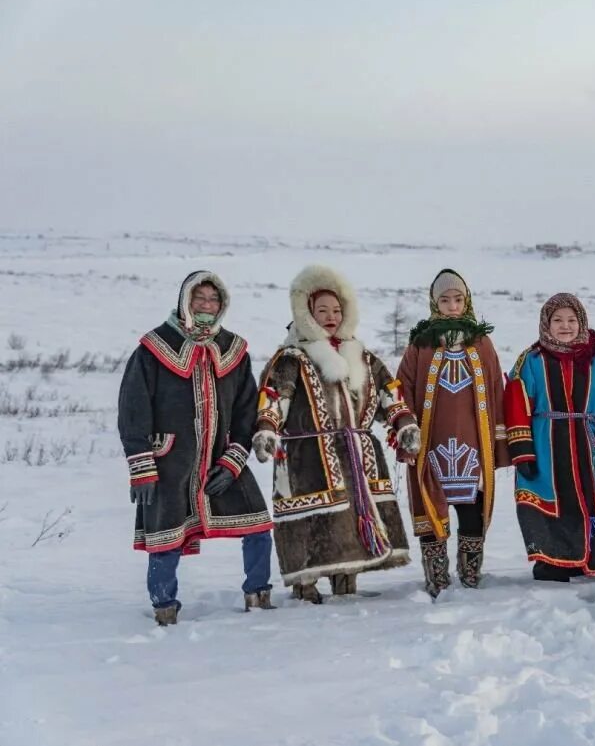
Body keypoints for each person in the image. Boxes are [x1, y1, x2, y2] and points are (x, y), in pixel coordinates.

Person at [254, 265, 418, 603]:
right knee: (311, 520)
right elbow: (274, 397)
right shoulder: (292, 357)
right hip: (306, 456)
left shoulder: (360, 355)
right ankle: (306, 582)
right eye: (322, 310)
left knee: (352, 516)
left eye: (336, 309)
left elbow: (391, 394)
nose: (330, 316)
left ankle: (347, 579)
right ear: (307, 313)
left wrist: (404, 425)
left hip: (357, 451)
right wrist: (267, 429)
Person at [118, 271, 274, 625]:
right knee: (165, 538)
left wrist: (234, 459)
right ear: (185, 301)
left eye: (213, 300)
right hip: (169, 461)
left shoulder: (233, 350)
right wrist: (141, 466)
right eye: (199, 298)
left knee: (258, 525)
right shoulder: (153, 349)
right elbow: (133, 410)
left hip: (222, 460)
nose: (206, 305)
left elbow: (247, 409)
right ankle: (164, 607)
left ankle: (259, 595)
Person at [504, 294, 595, 581]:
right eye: (557, 320)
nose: (565, 326)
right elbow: (516, 402)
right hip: (546, 445)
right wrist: (522, 450)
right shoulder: (531, 360)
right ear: (546, 323)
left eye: (571, 320)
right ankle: (554, 561)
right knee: (552, 497)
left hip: (593, 443)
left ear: (582, 322)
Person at [397, 269, 508, 597]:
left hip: (473, 445)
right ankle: (437, 576)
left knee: (472, 507)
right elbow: (402, 386)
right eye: (445, 299)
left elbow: (496, 390)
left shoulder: (481, 342)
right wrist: (406, 428)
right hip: (432, 444)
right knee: (431, 505)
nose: (452, 305)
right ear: (434, 302)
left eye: (458, 299)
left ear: (467, 300)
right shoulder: (421, 342)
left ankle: (470, 572)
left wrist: (500, 444)